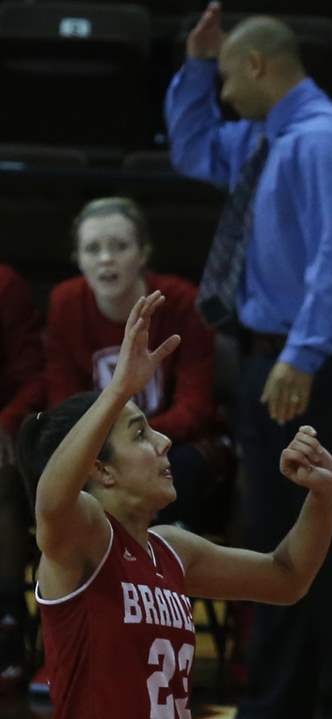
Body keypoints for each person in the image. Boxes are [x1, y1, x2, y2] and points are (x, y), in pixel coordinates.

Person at [165, 5, 332, 716]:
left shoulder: (325, 141)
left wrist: (302, 355)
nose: (226, 96)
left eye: (231, 79)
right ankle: (279, 700)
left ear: (260, 66)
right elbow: (192, 148)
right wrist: (199, 66)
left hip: (328, 361)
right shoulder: (269, 138)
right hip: (281, 358)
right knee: (273, 535)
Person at [16, 291, 332, 718]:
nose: (164, 441)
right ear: (102, 470)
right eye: (139, 434)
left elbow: (287, 577)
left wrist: (323, 495)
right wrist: (117, 391)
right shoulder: (87, 536)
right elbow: (52, 502)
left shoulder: (171, 550)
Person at [45, 197, 228, 532]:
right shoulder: (65, 303)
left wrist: (136, 444)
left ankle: (169, 570)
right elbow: (63, 404)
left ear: (143, 253)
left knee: (180, 468)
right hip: (100, 446)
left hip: (173, 442)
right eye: (92, 248)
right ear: (77, 259)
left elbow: (195, 406)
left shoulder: (181, 301)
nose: (105, 259)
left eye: (119, 247)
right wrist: (114, 447)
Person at [0, 265, 44, 695]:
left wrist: (8, 420)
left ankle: (8, 620)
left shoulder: (6, 285)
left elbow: (33, 377)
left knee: (2, 466)